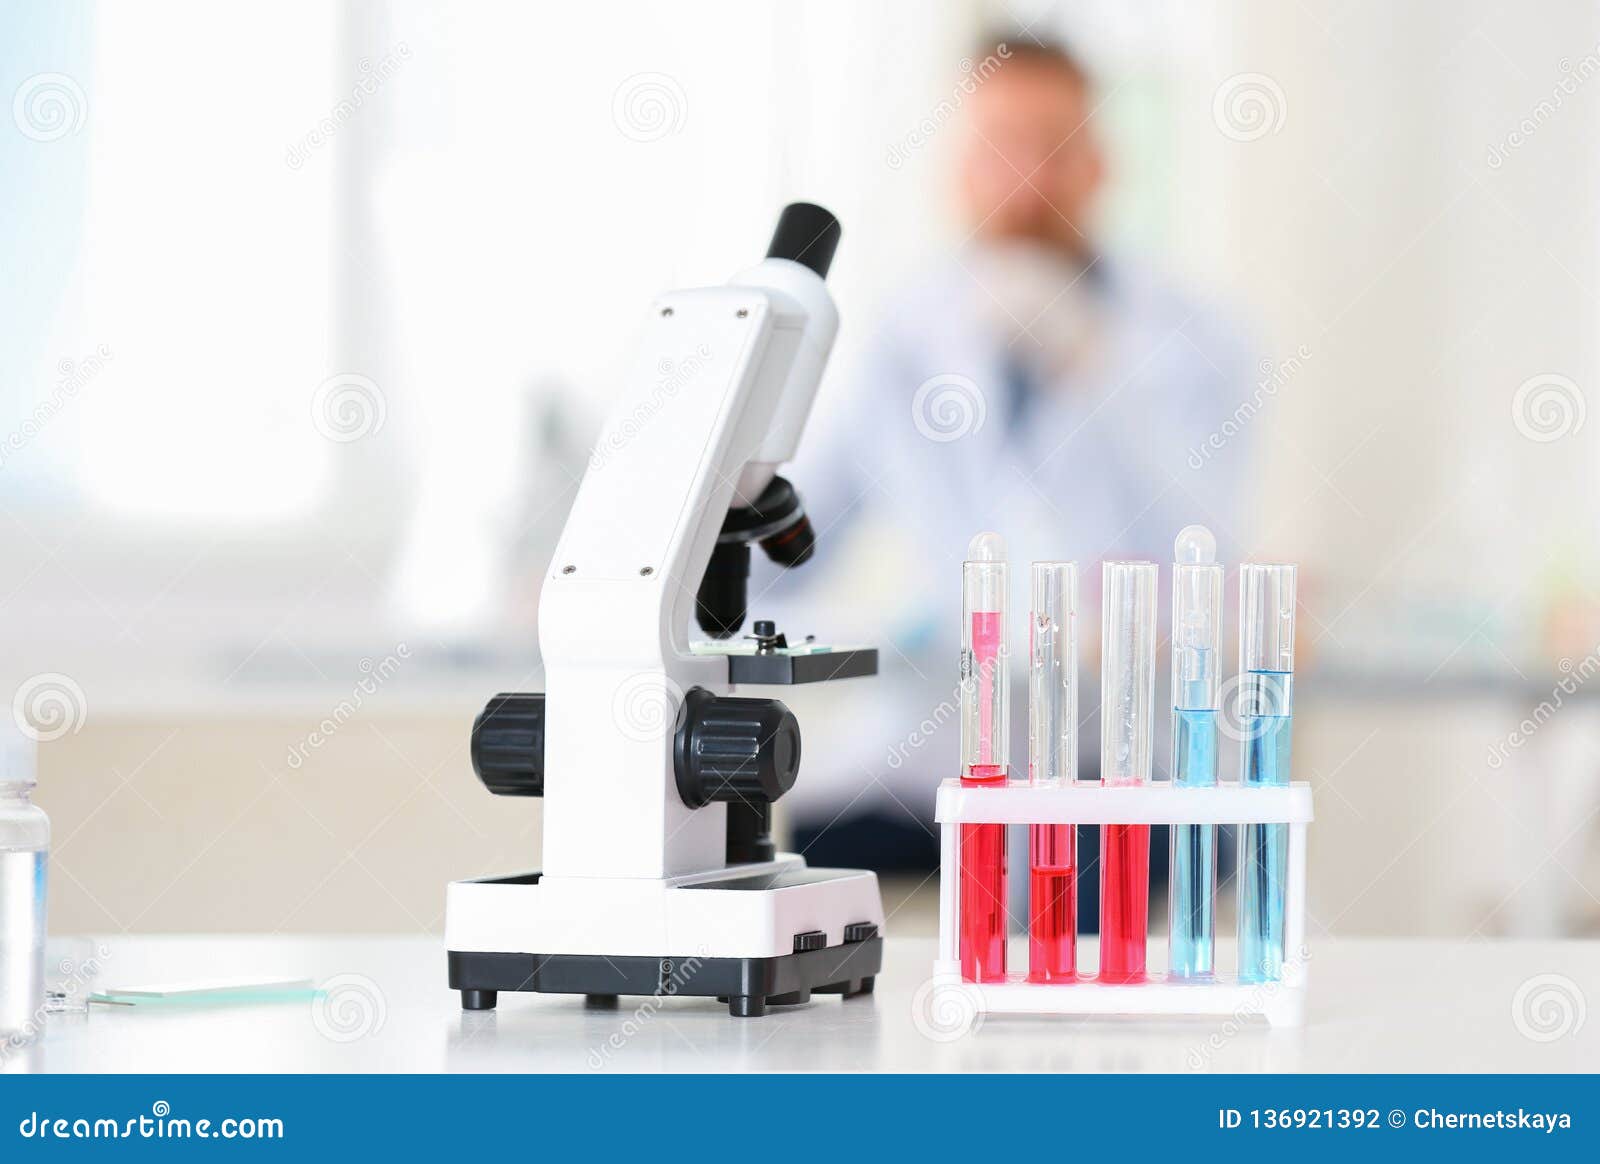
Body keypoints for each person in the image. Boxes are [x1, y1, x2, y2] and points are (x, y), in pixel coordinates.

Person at [764, 38, 1255, 913]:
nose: (1028, 176)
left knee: (1109, 924)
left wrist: (1100, 384)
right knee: (807, 868)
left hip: (1126, 756)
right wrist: (691, 559)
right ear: (958, 169)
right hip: (938, 754)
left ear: (1103, 166)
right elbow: (802, 535)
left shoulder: (1191, 339)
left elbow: (1208, 550)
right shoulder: (903, 338)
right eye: (1001, 147)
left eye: (1055, 147)